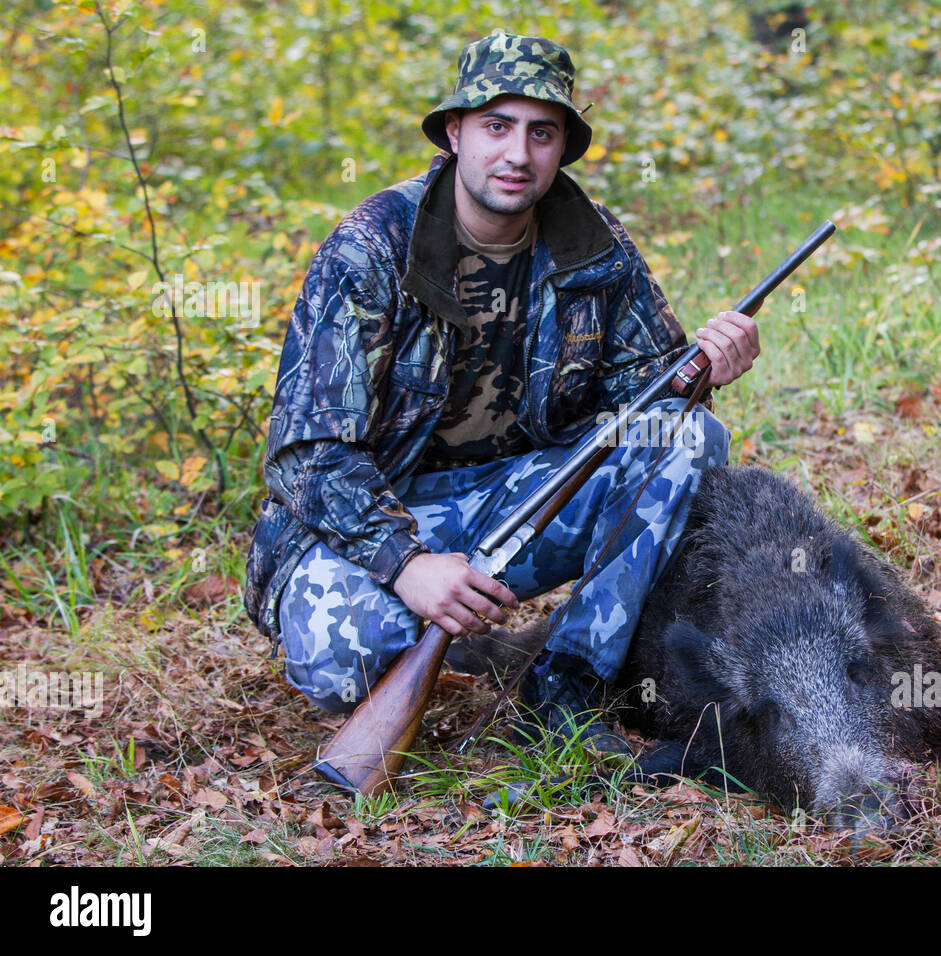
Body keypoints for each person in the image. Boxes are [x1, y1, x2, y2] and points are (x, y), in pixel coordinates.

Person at [242, 33, 760, 751]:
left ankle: (567, 675)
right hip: (378, 515)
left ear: (562, 149)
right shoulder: (370, 248)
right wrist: (407, 563)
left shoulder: (595, 244)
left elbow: (643, 403)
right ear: (455, 133)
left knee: (686, 435)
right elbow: (305, 454)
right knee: (346, 662)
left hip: (517, 498)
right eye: (497, 126)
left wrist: (704, 368)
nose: (518, 154)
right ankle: (440, 644)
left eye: (541, 133)